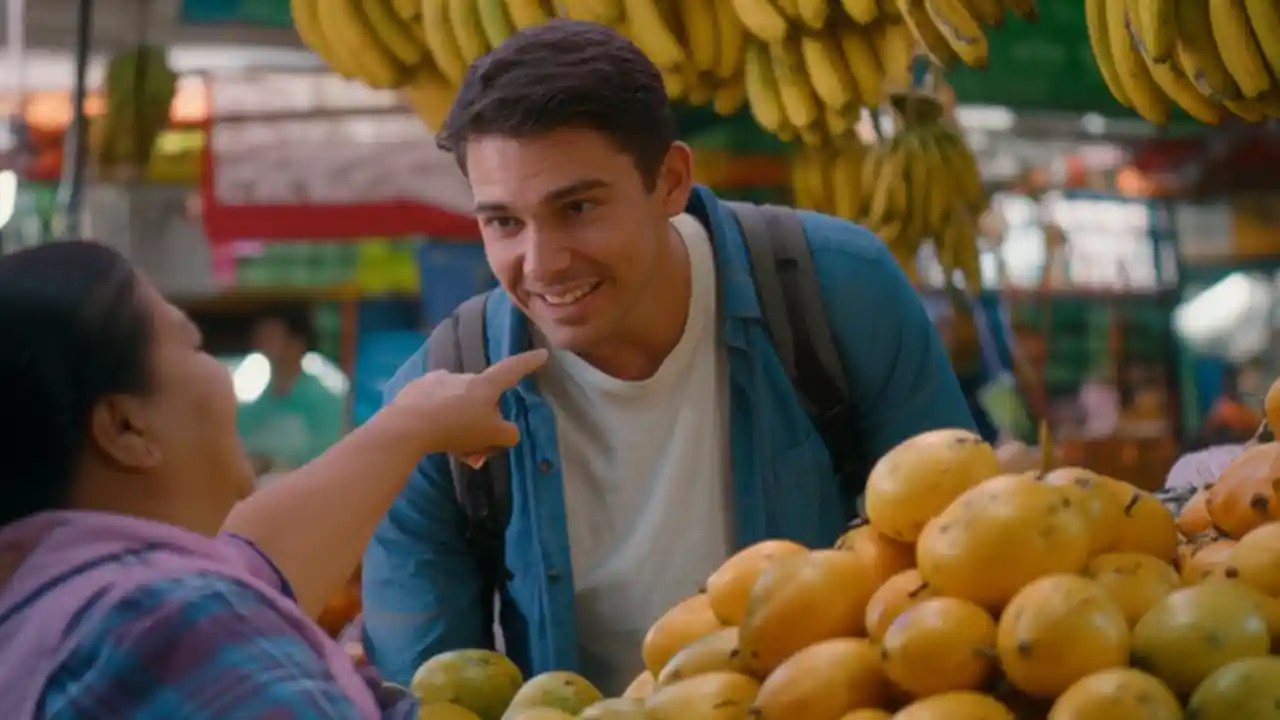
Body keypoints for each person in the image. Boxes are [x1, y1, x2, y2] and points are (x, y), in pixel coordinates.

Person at [362, 20, 976, 694]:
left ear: (671, 181)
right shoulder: (434, 408)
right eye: (503, 221)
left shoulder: (836, 295)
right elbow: (424, 691)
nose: (542, 263)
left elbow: (961, 564)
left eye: (578, 207)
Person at [0, 241, 547, 718]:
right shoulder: (161, 624)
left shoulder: (43, 610)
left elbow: (254, 563)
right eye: (193, 345)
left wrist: (414, 425)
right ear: (125, 427)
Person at [237, 308, 345, 478]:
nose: (263, 344)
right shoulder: (251, 409)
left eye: (273, 336)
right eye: (260, 336)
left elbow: (328, 461)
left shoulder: (326, 403)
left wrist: (270, 464)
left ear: (297, 343)